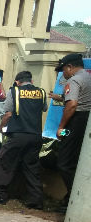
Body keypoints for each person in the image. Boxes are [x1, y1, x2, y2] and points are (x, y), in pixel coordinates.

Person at [0, 71, 47, 209]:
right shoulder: (41, 92)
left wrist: (1, 127)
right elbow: (44, 108)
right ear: (31, 80)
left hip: (18, 135)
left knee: (2, 163)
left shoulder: (15, 91)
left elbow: (8, 113)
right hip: (35, 136)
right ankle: (36, 200)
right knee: (31, 168)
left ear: (17, 81)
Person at [50, 53, 91, 210]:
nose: (64, 74)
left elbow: (72, 104)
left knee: (65, 163)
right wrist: (60, 97)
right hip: (86, 123)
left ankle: (74, 197)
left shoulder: (74, 80)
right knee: (78, 161)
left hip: (75, 123)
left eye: (64, 70)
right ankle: (71, 197)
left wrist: (61, 127)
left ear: (69, 67)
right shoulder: (88, 77)